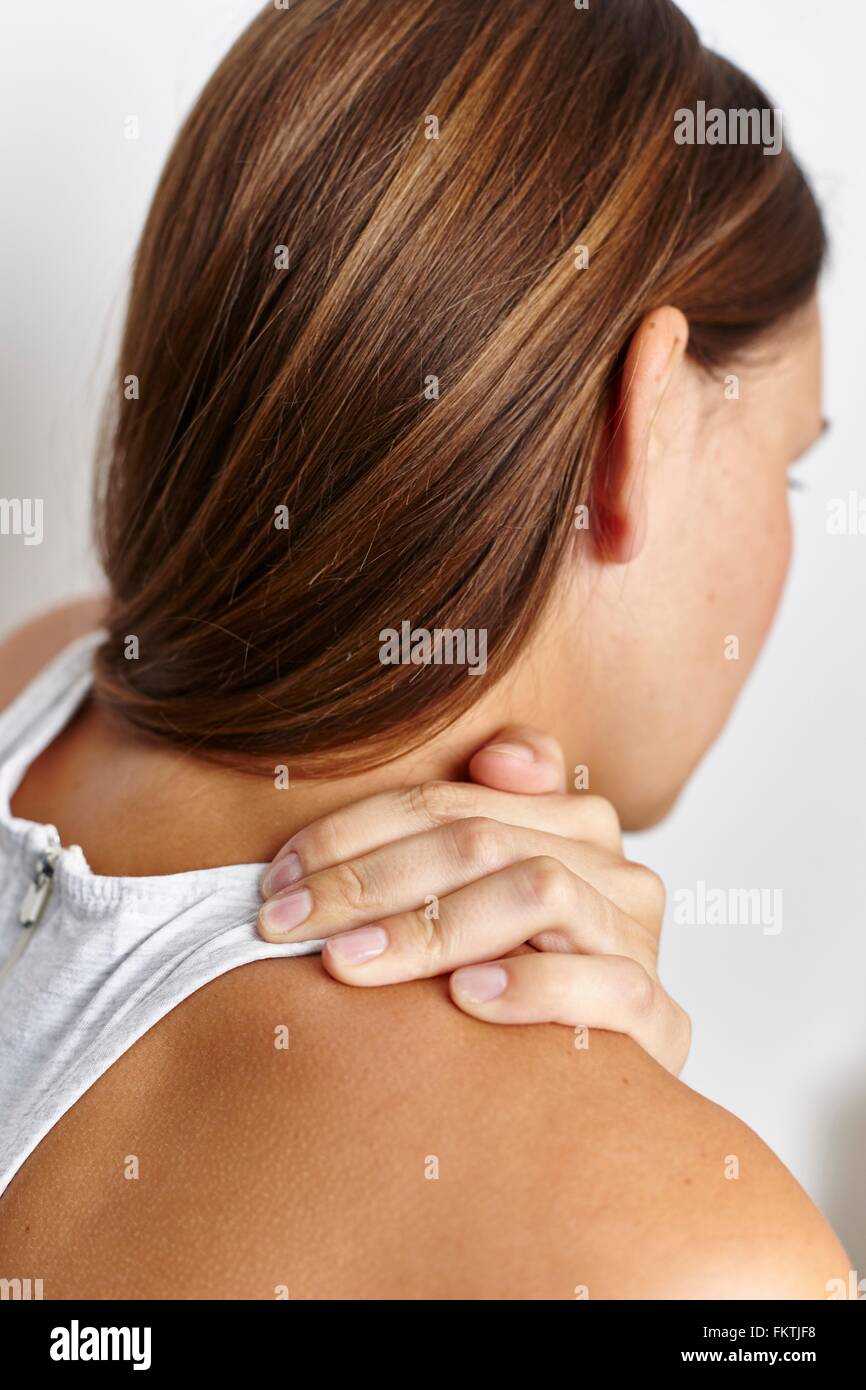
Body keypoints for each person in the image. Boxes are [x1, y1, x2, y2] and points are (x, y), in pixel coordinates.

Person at [0, 0, 850, 1297]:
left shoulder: (36, 681)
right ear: (646, 419)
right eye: (788, 467)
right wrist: (604, 1144)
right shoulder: (700, 1263)